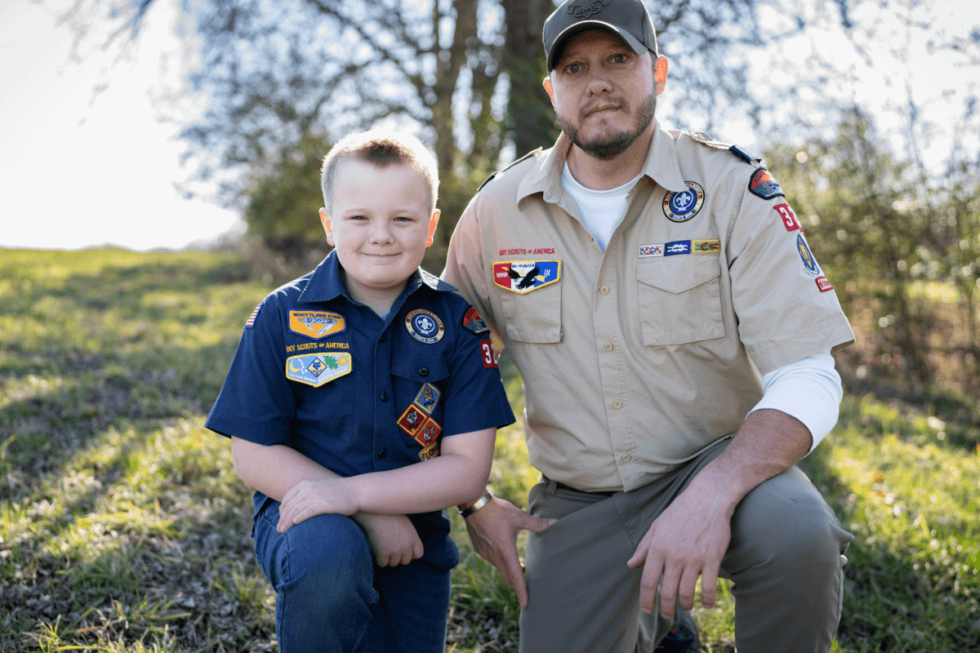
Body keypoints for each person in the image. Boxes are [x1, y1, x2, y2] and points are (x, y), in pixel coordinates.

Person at [442, 0, 856, 651]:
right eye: (575, 67)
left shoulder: (730, 189)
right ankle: (665, 634)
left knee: (798, 536)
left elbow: (808, 372)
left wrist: (714, 490)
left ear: (657, 71)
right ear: (552, 91)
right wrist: (474, 501)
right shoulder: (497, 213)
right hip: (579, 499)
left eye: (618, 59)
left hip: (718, 465)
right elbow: (439, 373)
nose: (597, 82)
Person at [205, 129, 516, 653]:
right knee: (330, 553)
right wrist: (360, 511)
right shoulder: (282, 314)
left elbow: (468, 469)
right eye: (358, 218)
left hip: (416, 541)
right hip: (306, 521)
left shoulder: (458, 321)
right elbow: (253, 451)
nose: (381, 235)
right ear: (329, 224)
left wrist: (356, 496)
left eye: (402, 218)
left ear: (431, 227)